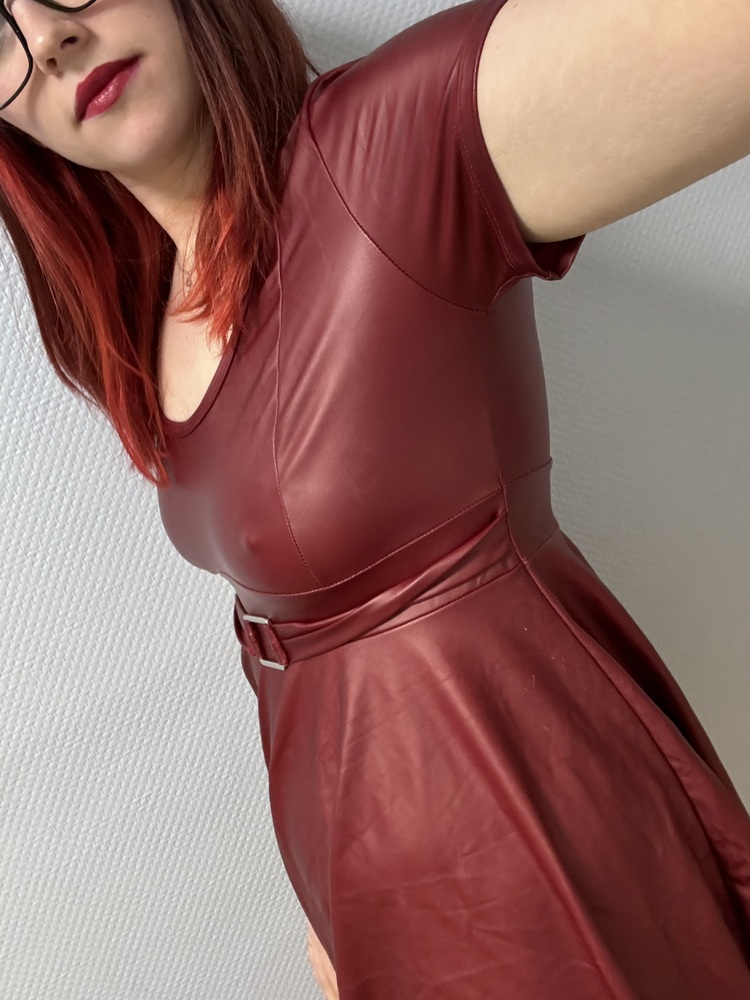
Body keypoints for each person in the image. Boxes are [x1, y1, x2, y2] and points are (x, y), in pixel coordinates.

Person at [2, 1, 749, 998]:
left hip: (544, 862)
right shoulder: (154, 311)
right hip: (381, 896)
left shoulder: (388, 152)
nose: (47, 37)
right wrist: (334, 912)